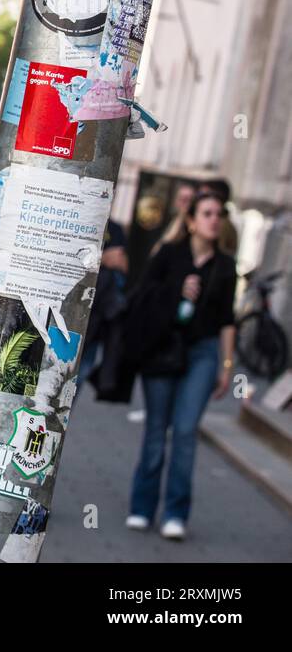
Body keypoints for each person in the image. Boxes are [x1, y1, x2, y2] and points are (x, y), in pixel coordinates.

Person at [126, 191, 237, 541]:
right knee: (158, 429)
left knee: (186, 431)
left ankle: (175, 512)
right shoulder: (168, 254)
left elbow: (228, 319)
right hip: (162, 348)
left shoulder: (225, 265)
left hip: (202, 354)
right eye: (207, 213)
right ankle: (142, 508)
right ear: (190, 221)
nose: (214, 219)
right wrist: (178, 288)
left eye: (219, 214)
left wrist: (227, 364)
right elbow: (142, 296)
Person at [77, 219, 129, 388]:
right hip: (71, 310)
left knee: (77, 378)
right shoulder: (81, 218)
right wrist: (102, 258)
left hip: (96, 317)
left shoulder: (115, 228)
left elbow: (123, 264)